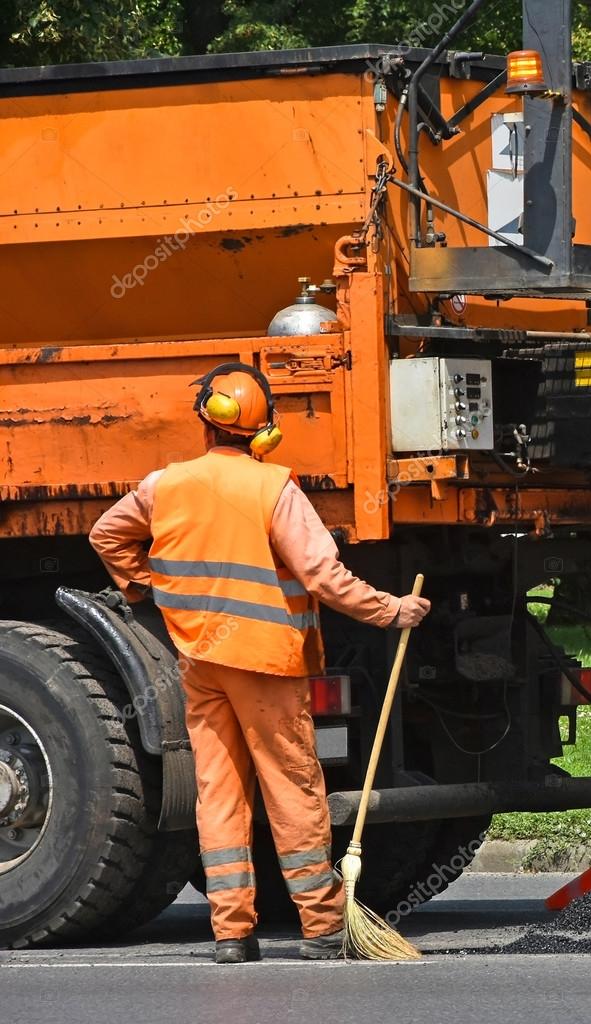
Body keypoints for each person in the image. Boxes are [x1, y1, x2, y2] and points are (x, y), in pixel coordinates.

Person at [89, 362, 430, 964]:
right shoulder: (275, 488)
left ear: (206, 424)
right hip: (267, 666)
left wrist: (147, 589)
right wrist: (390, 611)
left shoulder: (163, 485)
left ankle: (230, 933)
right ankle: (322, 925)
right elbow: (323, 575)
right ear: (264, 433)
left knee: (218, 793)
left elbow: (106, 535)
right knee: (292, 789)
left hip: (199, 661)